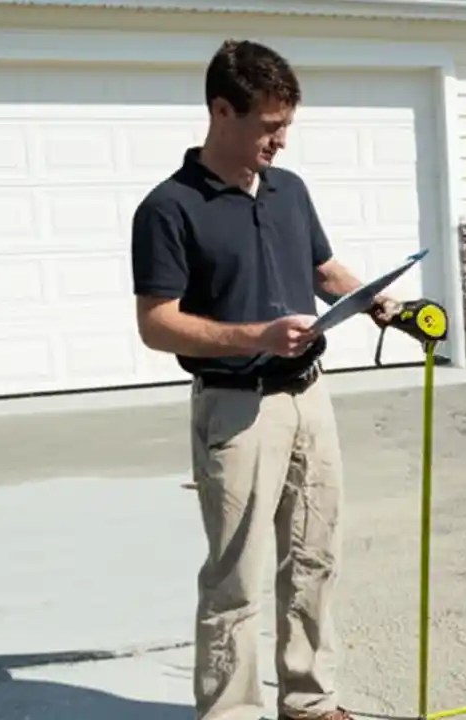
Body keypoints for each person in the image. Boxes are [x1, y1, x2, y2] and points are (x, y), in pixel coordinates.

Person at [130, 39, 399, 720]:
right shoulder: (169, 208)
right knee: (236, 579)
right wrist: (257, 336)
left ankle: (309, 701)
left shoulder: (289, 190)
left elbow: (322, 268)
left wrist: (374, 298)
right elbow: (157, 323)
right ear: (222, 111)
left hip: (310, 398)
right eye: (270, 126)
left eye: (287, 125)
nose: (281, 140)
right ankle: (230, 712)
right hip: (236, 410)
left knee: (314, 558)